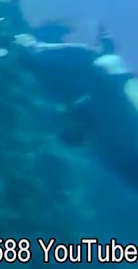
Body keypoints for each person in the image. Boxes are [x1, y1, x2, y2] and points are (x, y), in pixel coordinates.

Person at [13, 24, 138, 192]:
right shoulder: (101, 88)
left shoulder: (91, 91)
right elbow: (72, 136)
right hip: (124, 159)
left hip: (123, 159)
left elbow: (71, 137)